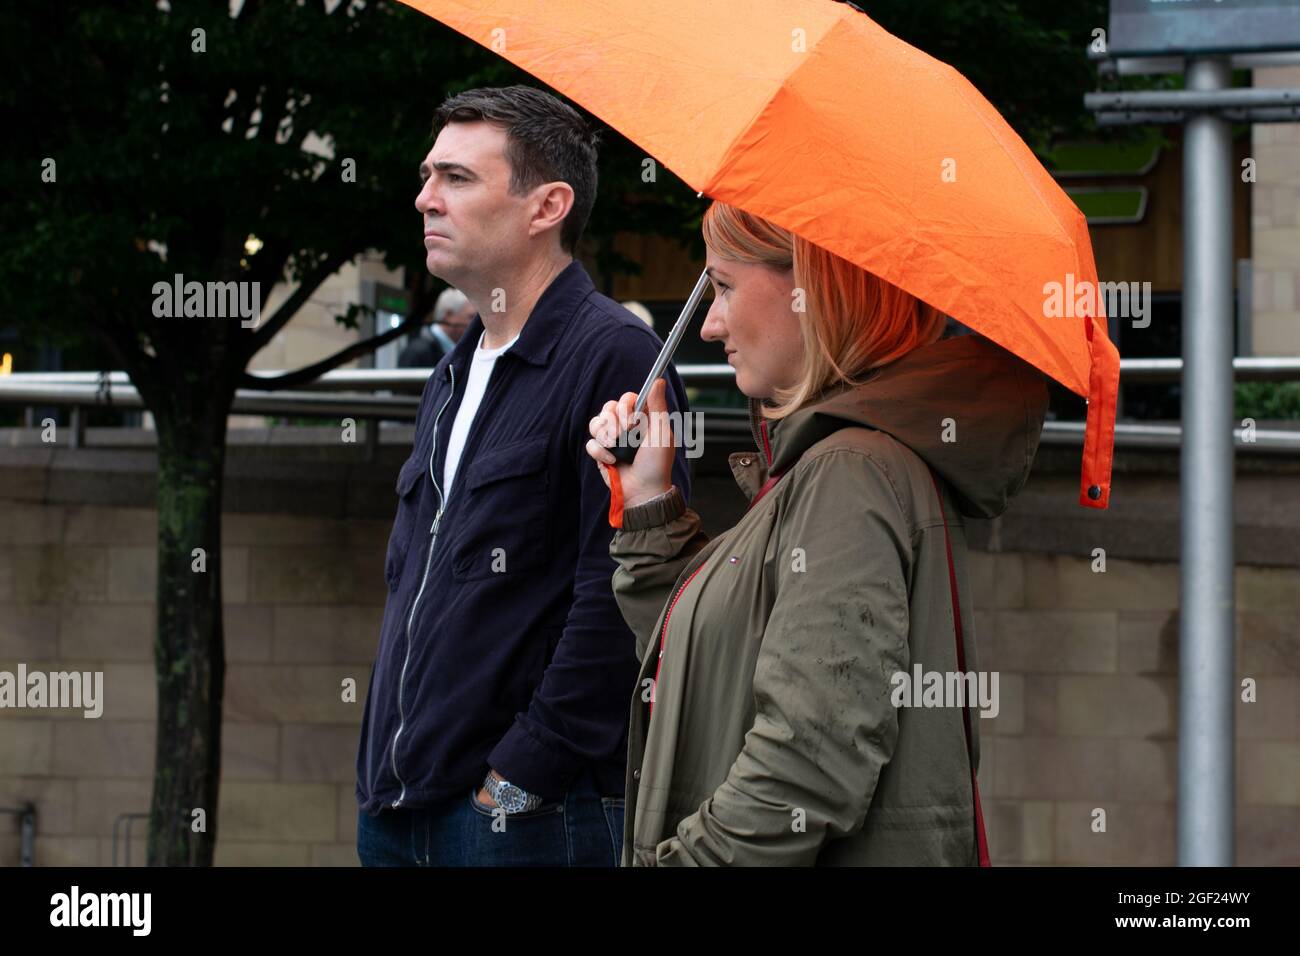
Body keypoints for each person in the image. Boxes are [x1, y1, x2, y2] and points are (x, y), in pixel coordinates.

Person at [586, 201, 1048, 866]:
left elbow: (806, 763)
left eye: (723, 284)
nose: (710, 325)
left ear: (814, 293)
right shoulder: (834, 464)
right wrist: (649, 502)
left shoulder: (850, 472)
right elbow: (711, 661)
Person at [356, 85, 692, 866]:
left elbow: (621, 590)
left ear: (547, 206)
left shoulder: (617, 359)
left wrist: (515, 782)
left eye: (457, 178)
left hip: (522, 817)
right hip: (400, 807)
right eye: (427, 175)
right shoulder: (450, 374)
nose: (424, 199)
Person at [397, 287, 475, 366]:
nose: (476, 323)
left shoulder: (461, 351)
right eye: (471, 317)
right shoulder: (417, 353)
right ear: (449, 315)